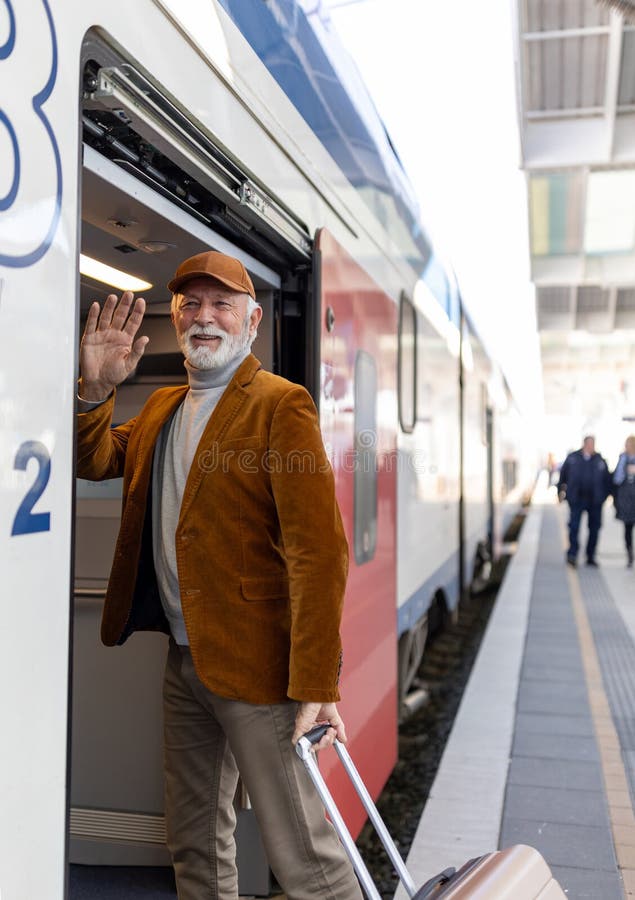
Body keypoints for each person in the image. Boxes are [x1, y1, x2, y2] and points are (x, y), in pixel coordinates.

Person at [76, 250, 362, 900]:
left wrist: (317, 683)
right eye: (191, 304)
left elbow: (319, 554)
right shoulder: (162, 409)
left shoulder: (279, 405)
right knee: (196, 842)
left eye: (221, 304)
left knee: (305, 862)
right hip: (185, 665)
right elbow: (92, 462)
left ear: (251, 319)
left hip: (263, 675)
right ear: (176, 315)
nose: (205, 317)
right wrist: (95, 390)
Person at [557, 435, 612, 568]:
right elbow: (563, 476)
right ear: (584, 444)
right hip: (576, 499)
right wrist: (560, 492)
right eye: (589, 444)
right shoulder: (572, 458)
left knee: (594, 529)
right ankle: (572, 554)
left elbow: (607, 481)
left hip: (595, 501)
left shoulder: (600, 460)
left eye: (593, 445)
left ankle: (590, 556)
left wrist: (604, 496)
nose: (591, 447)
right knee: (574, 527)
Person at [613, 435, 635, 568]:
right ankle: (629, 553)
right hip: (626, 499)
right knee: (628, 528)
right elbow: (617, 479)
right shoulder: (623, 458)